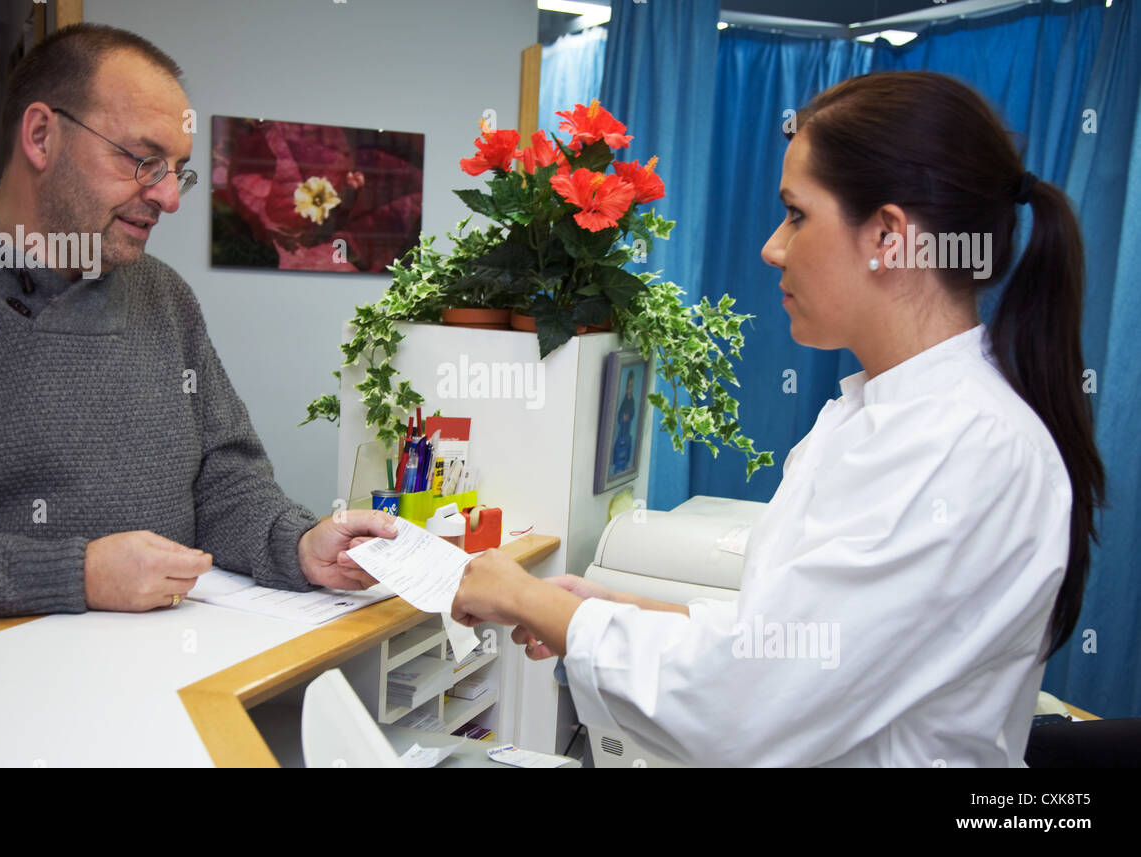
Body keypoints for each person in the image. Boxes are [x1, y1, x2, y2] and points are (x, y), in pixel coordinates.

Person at [451, 71, 1105, 767]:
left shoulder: (962, 447)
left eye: (795, 214)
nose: (773, 246)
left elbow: (747, 705)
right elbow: (790, 642)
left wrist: (536, 601)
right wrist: (612, 605)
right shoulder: (875, 415)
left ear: (887, 236)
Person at [0, 23, 392, 635]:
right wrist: (74, 575)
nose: (168, 198)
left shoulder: (164, 297)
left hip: (160, 682)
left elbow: (222, 480)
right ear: (42, 136)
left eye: (176, 170)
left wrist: (294, 543)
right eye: (141, 160)